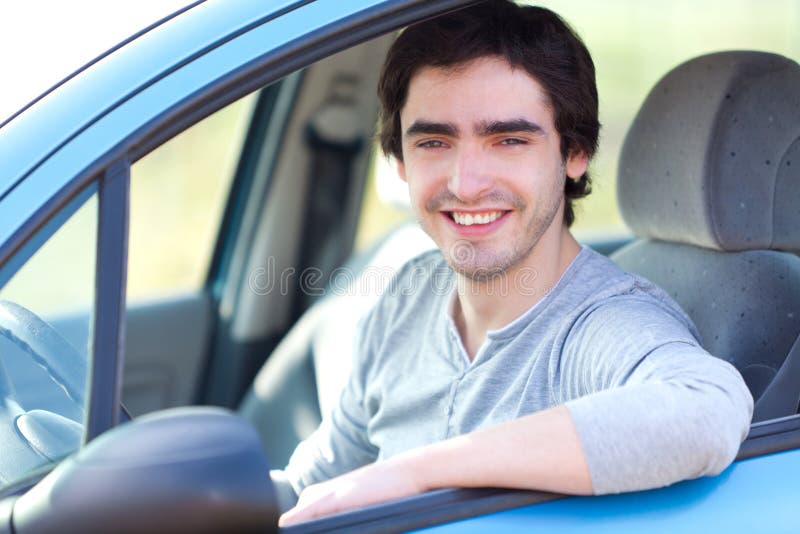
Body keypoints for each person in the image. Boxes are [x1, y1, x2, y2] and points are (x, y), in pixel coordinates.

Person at [276, 0, 753, 525]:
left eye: (508, 140)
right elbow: (316, 483)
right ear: (399, 162)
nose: (466, 183)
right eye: (434, 141)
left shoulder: (600, 326)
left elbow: (705, 408)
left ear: (574, 153)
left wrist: (419, 473)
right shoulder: (409, 293)